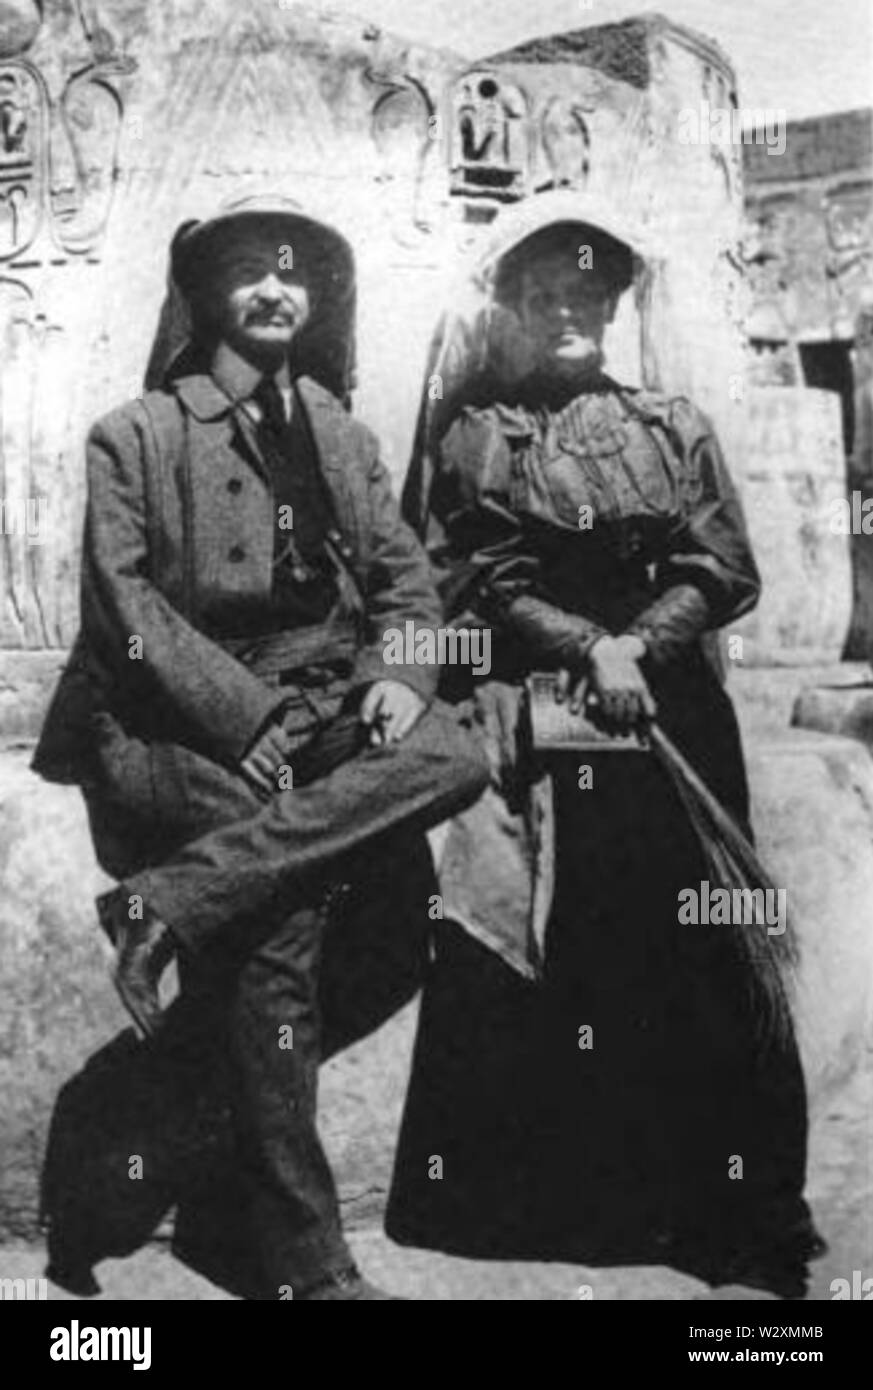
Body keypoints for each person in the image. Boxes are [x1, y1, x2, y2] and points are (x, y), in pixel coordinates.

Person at [32, 194, 488, 1301]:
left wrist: (395, 676)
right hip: (178, 724)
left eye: (295, 272)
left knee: (456, 758)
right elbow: (125, 612)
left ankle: (171, 905)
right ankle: (303, 1261)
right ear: (206, 294)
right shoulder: (137, 434)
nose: (277, 288)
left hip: (328, 707)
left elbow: (407, 582)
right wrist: (246, 716)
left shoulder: (339, 432)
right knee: (278, 926)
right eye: (251, 270)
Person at [387, 204, 824, 1299]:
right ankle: (591, 1211)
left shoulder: (672, 426)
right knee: (583, 936)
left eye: (587, 294)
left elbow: (722, 563)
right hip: (554, 710)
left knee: (707, 943)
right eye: (545, 297)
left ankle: (737, 1212)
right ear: (515, 309)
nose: (568, 312)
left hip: (674, 708)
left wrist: (639, 645)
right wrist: (588, 648)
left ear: (617, 305)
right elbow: (475, 576)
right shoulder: (481, 434)